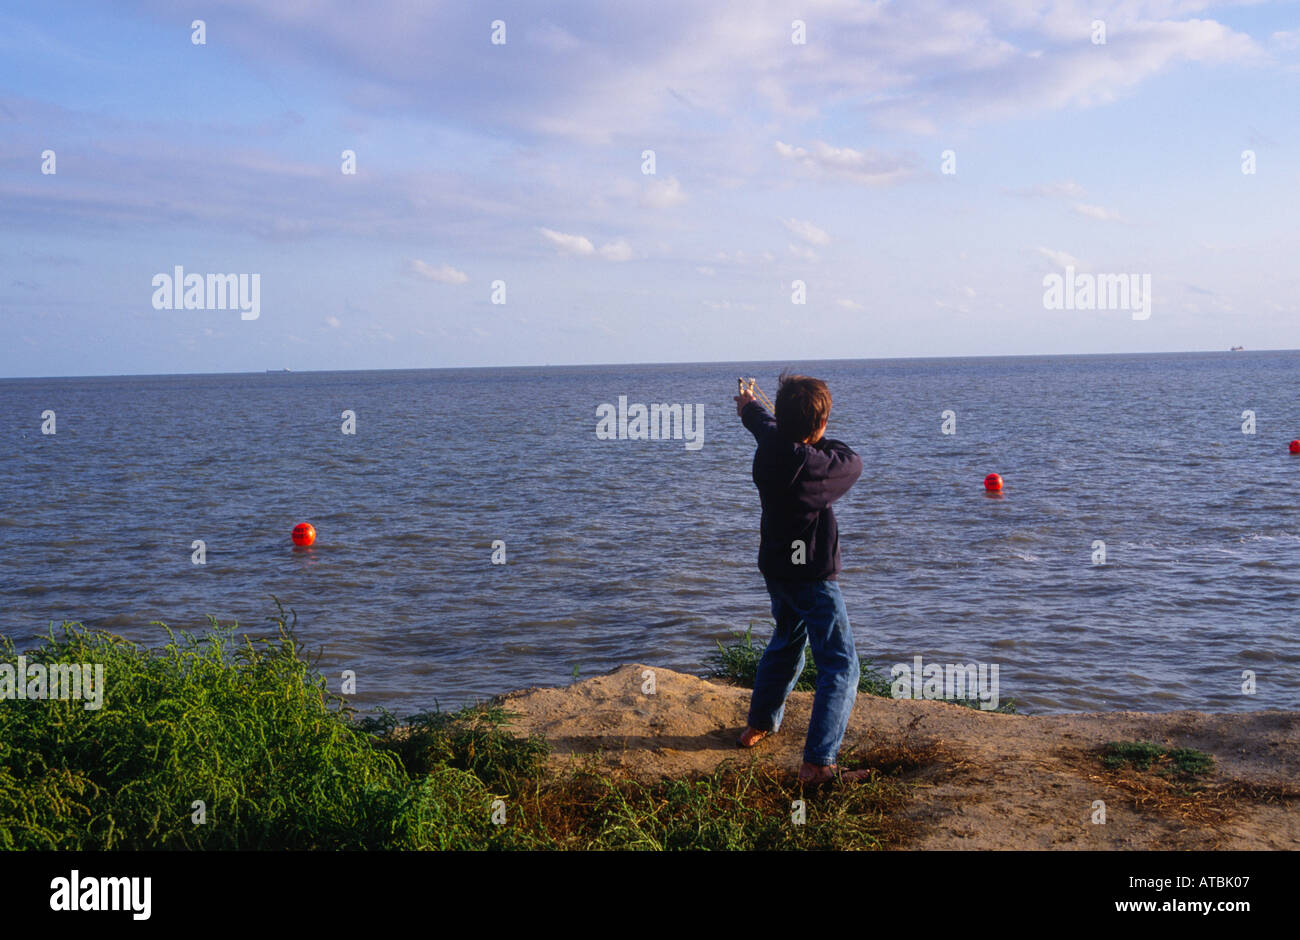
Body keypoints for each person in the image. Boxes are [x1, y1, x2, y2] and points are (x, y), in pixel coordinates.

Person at [734, 372, 863, 785]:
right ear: (819, 426)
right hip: (811, 577)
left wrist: (749, 405)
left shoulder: (771, 445)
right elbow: (852, 461)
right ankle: (818, 764)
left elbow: (762, 423)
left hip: (777, 570)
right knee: (841, 665)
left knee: (787, 641)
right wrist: (814, 436)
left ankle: (759, 723)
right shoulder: (813, 466)